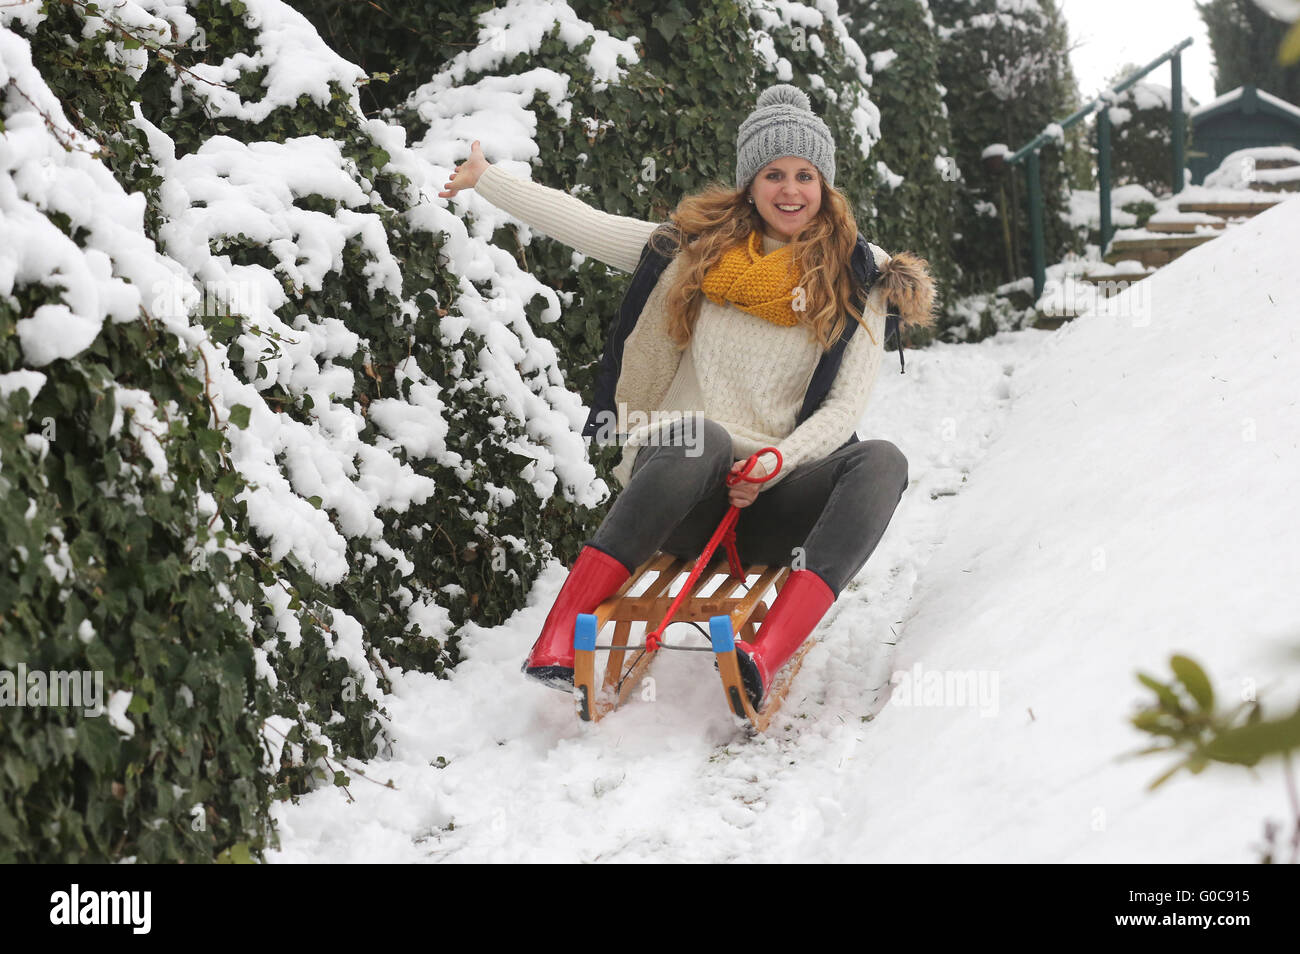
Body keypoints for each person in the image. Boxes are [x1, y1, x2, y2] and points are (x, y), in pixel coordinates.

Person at [440, 84, 936, 710]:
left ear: (824, 184)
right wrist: (488, 179)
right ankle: (561, 638)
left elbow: (844, 409)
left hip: (774, 495)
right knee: (703, 435)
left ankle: (765, 653)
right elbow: (590, 226)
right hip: (681, 490)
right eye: (773, 173)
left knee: (882, 460)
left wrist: (776, 462)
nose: (790, 190)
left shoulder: (859, 273)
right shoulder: (694, 252)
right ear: (749, 183)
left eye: (805, 175)